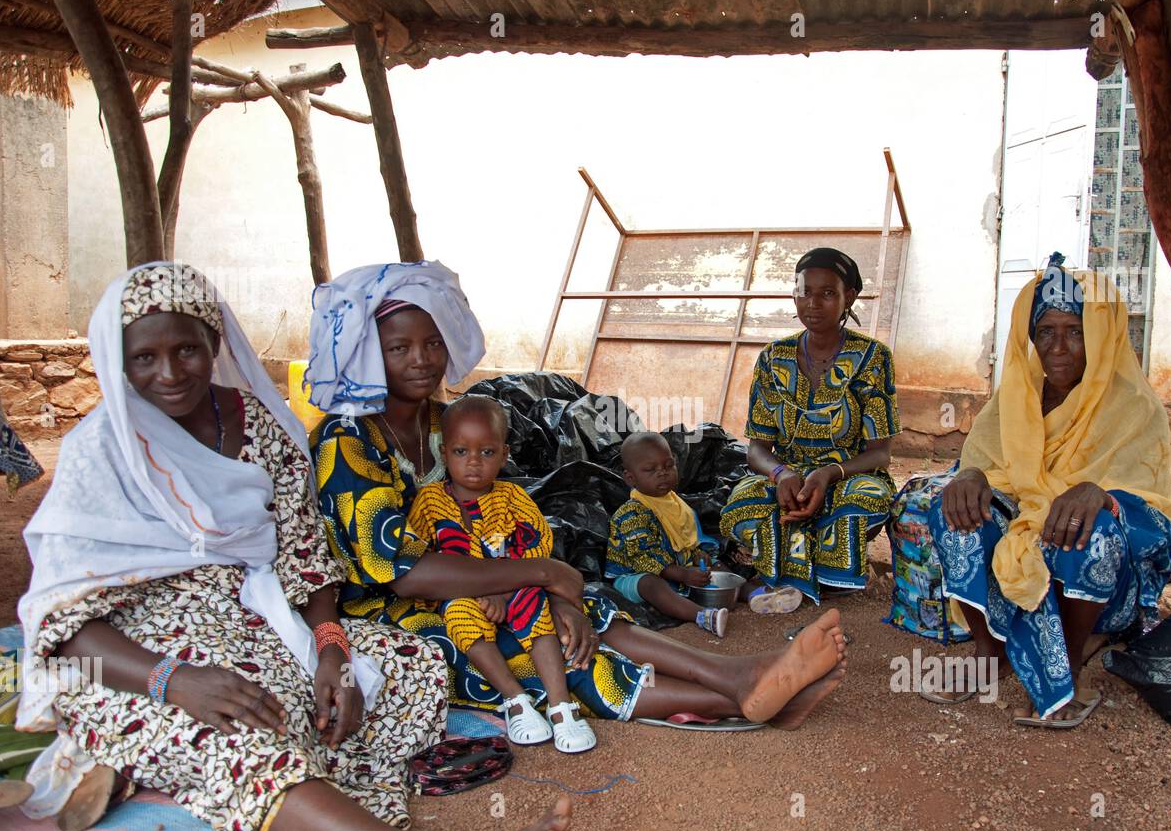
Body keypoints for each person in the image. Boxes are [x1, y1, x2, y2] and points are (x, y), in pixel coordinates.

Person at [16, 262, 571, 831]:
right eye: (144, 359)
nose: (170, 373)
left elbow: (304, 556)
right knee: (240, 722)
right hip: (141, 639)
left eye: (187, 351)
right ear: (120, 362)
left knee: (411, 667)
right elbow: (66, 622)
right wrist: (175, 681)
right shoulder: (100, 450)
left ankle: (141, 762)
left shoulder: (255, 423)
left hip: (256, 611)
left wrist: (330, 651)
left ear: (215, 342)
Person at [307, 262, 848, 732]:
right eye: (398, 347)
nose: (421, 359)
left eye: (432, 343)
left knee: (584, 606)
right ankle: (745, 696)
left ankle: (732, 674)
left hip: (483, 572)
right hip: (396, 604)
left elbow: (499, 510)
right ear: (368, 356)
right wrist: (538, 575)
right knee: (540, 648)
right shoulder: (346, 444)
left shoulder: (441, 422)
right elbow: (399, 570)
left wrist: (550, 584)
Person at [929, 253, 1171, 727]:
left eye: (1075, 332)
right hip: (1028, 525)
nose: (1058, 347)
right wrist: (969, 477)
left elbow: (1158, 521)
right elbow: (984, 463)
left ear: (1101, 338)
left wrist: (1101, 495)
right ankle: (990, 651)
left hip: (1104, 581)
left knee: (1093, 527)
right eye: (1046, 332)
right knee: (953, 512)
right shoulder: (1017, 398)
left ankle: (1068, 655)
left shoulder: (1135, 409)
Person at [409, 395, 597, 753]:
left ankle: (560, 705)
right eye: (462, 452)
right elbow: (420, 558)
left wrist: (505, 590)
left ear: (505, 454)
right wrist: (481, 592)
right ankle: (517, 700)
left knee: (534, 603)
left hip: (516, 588)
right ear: (444, 452)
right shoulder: (430, 501)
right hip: (461, 596)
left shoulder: (512, 497)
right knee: (459, 613)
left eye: (488, 452)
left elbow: (536, 546)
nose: (474, 463)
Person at [721, 247, 900, 603]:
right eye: (804, 291)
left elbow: (880, 454)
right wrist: (782, 475)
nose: (812, 303)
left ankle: (791, 572)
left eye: (827, 293)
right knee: (741, 503)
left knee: (867, 501)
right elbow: (757, 448)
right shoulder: (774, 358)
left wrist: (829, 473)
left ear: (849, 297)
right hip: (789, 479)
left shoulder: (873, 357)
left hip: (847, 476)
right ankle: (819, 574)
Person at [607, 431, 790, 636]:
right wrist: (683, 574)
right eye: (650, 469)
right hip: (635, 576)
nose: (663, 473)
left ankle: (753, 594)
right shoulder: (632, 514)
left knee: (717, 564)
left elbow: (690, 540)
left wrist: (698, 554)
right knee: (651, 584)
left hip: (677, 566)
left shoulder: (677, 504)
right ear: (630, 478)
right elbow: (645, 559)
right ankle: (703, 616)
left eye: (669, 465)